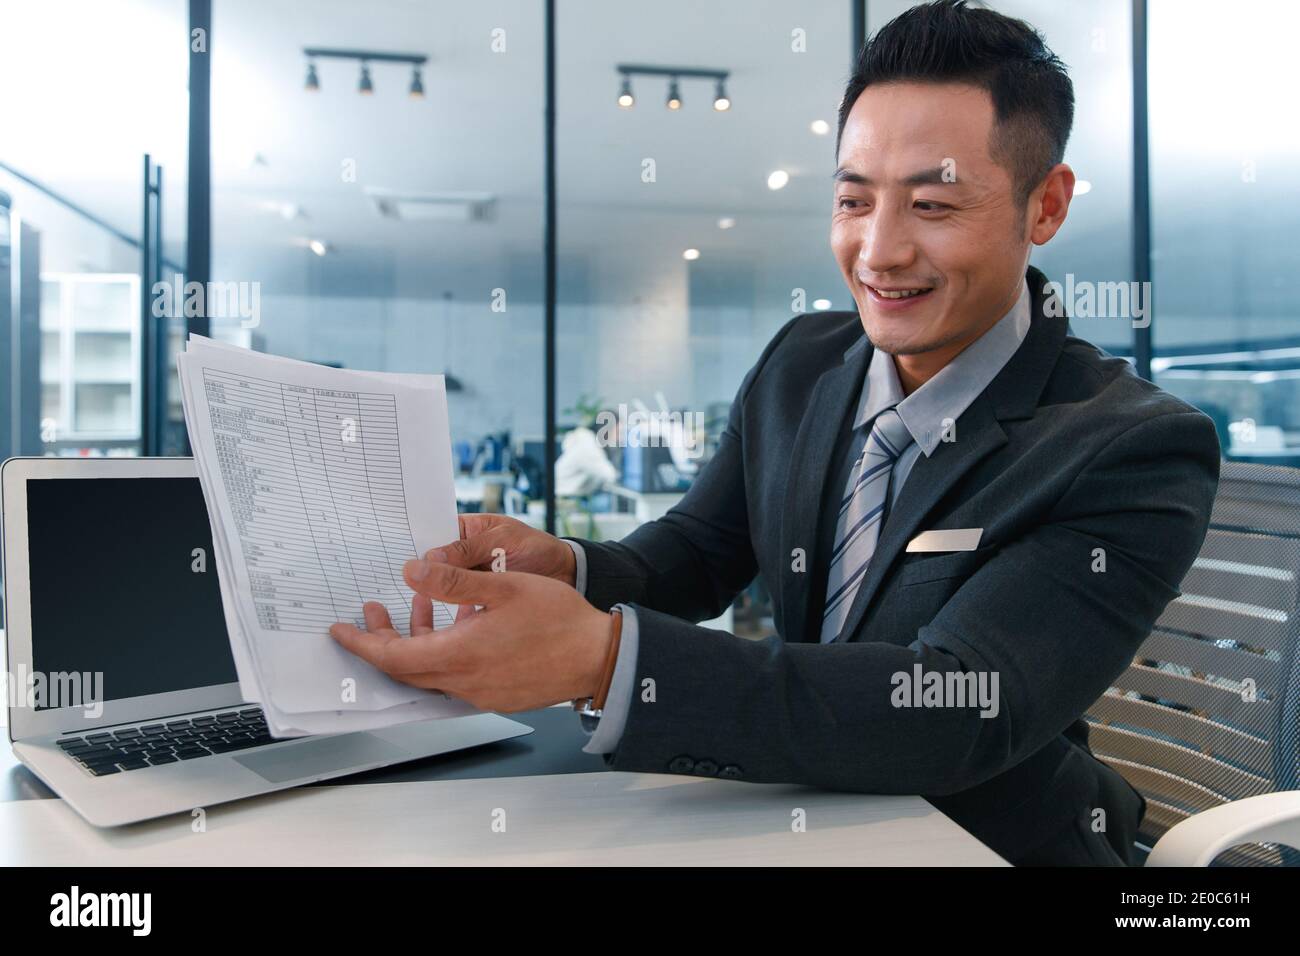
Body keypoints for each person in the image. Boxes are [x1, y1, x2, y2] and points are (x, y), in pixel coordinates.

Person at [330, 0, 1220, 866]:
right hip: (795, 807)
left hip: (986, 838)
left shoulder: (1131, 446)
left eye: (934, 208)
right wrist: (568, 569)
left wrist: (607, 663)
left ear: (1045, 208)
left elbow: (956, 707)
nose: (878, 251)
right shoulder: (802, 362)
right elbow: (699, 550)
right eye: (853, 200)